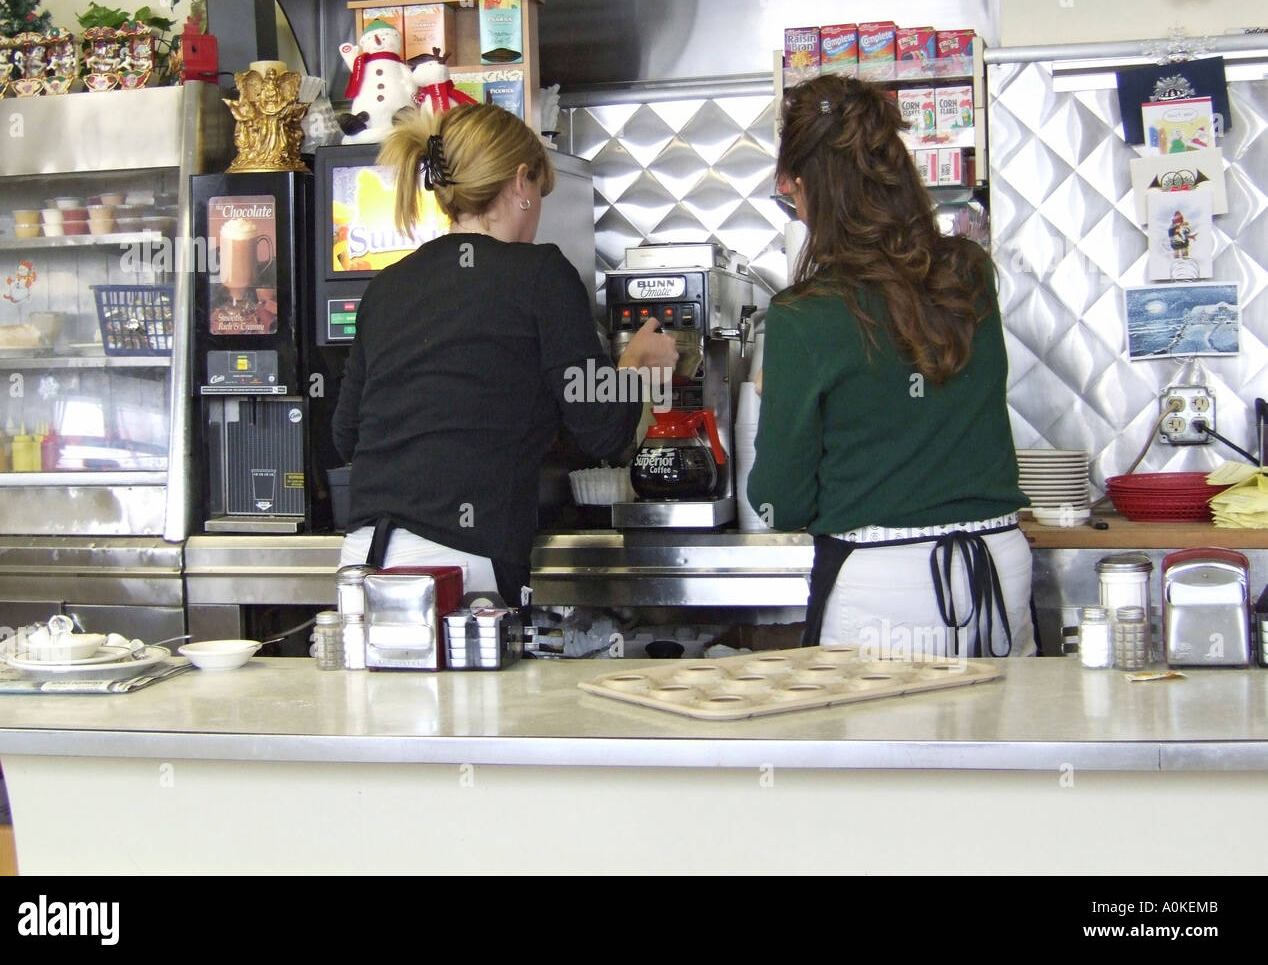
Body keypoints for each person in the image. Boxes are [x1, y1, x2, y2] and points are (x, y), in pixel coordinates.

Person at [333, 103, 677, 604]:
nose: (538, 206)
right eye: (539, 189)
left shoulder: (387, 286)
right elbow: (603, 430)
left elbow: (347, 437)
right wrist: (633, 365)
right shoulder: (539, 273)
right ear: (520, 183)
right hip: (458, 568)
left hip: (362, 560)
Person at [747, 74, 1033, 658]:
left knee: (880, 748)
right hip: (1000, 565)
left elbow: (781, 502)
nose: (794, 208)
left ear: (808, 190)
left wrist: (774, 394)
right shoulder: (969, 273)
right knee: (1001, 743)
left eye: (793, 194)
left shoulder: (803, 316)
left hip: (882, 586)